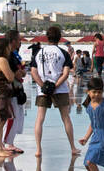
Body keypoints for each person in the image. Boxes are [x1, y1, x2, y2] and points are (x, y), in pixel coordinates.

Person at [31, 25, 76, 158]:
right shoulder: (63, 53)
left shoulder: (39, 53)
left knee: (40, 118)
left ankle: (38, 149)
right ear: (59, 37)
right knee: (66, 117)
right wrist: (55, 85)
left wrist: (43, 86)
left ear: (47, 37)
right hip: (60, 88)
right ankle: (72, 147)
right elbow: (66, 73)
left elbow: (33, 72)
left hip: (42, 89)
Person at [0, 38, 23, 156]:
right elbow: (10, 77)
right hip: (2, 94)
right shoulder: (2, 60)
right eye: (8, 47)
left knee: (1, 121)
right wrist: (16, 73)